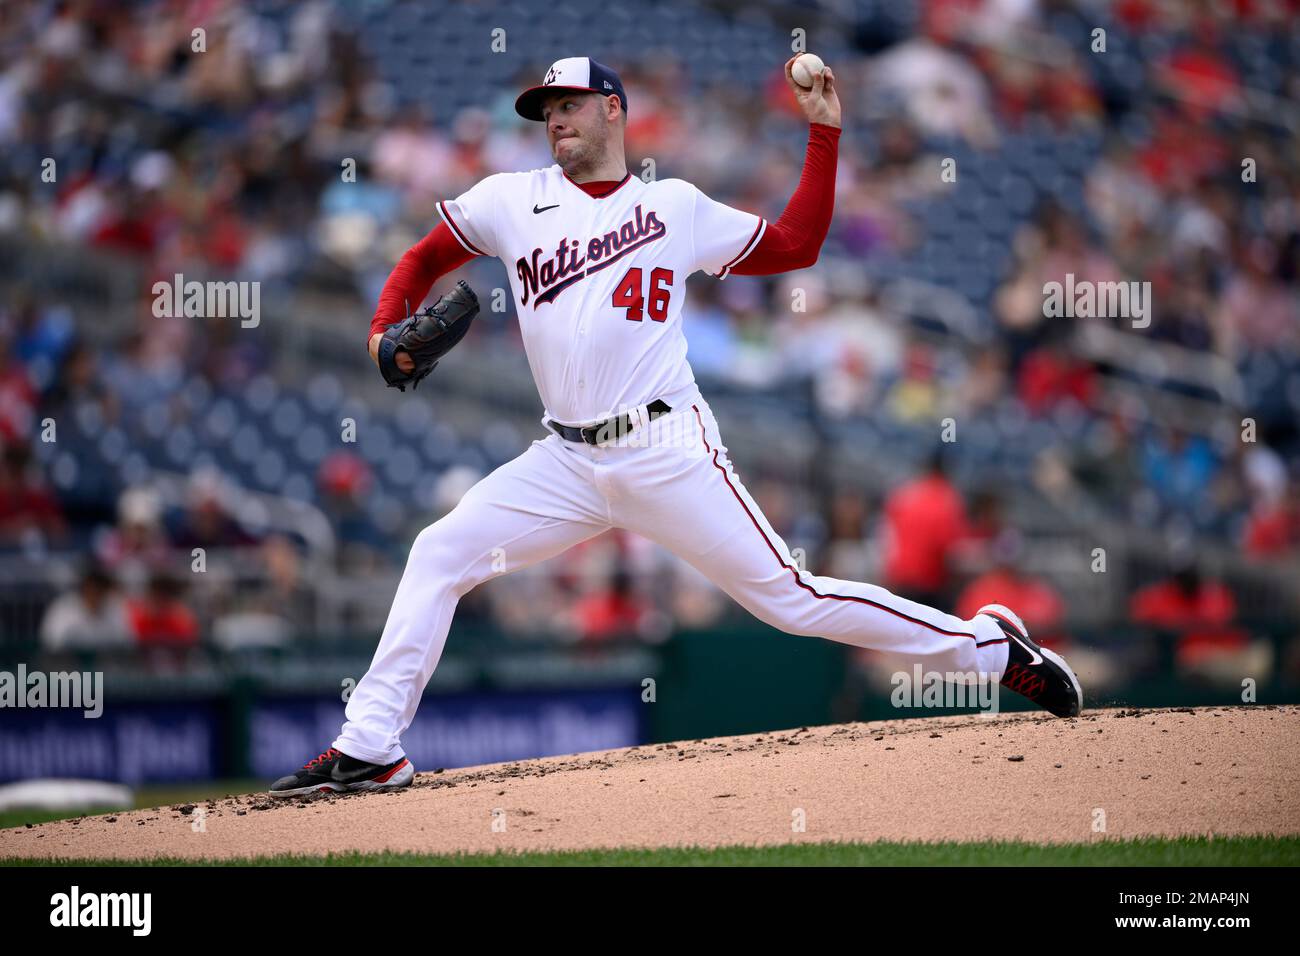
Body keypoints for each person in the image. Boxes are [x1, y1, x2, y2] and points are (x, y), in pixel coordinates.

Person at [270, 55, 1083, 798]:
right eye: (544, 109)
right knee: (438, 552)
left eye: (570, 104)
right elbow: (420, 260)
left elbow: (797, 245)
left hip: (666, 448)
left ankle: (991, 649)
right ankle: (372, 744)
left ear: (614, 111)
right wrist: (384, 330)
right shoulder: (509, 200)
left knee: (791, 601)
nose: (554, 119)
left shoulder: (673, 207)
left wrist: (825, 133)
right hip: (564, 459)